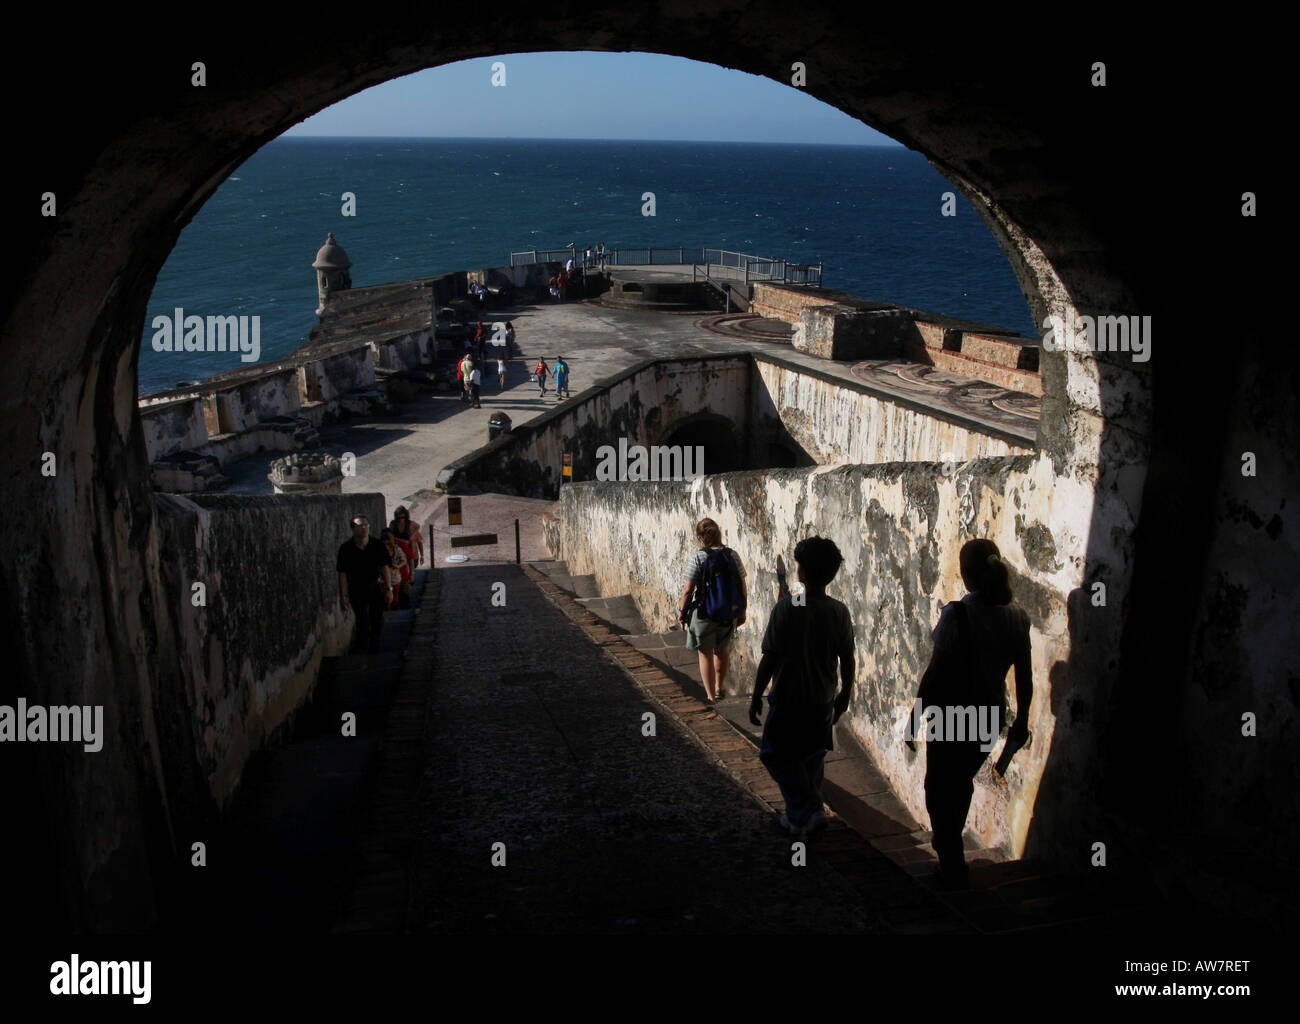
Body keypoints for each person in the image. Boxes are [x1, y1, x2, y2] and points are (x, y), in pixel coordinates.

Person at [917, 538, 1033, 889]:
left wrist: (915, 712)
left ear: (966, 575)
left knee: (938, 787)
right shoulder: (1017, 617)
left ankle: (950, 859)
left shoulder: (957, 615)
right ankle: (950, 850)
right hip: (988, 715)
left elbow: (935, 671)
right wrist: (1022, 720)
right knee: (960, 781)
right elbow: (1024, 679)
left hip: (951, 712)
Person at [748, 537, 855, 839]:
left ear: (802, 572)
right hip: (822, 700)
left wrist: (756, 694)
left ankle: (810, 809)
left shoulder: (787, 609)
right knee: (811, 758)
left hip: (789, 699)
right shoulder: (839, 611)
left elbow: (770, 658)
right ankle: (798, 819)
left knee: (775, 753)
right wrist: (845, 694)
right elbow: (847, 658)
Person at [677, 517, 747, 702]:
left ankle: (710, 696)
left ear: (701, 537)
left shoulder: (699, 557)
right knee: (722, 650)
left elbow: (688, 590)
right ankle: (718, 687)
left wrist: (682, 612)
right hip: (728, 613)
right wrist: (742, 611)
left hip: (705, 613)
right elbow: (742, 586)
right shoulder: (732, 555)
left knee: (705, 653)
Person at [336, 514, 394, 654]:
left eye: (366, 525)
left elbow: (385, 567)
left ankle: (374, 646)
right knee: (361, 619)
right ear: (353, 529)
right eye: (360, 526)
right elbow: (342, 573)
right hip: (356, 588)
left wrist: (389, 589)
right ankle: (362, 645)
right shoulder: (346, 549)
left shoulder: (377, 545)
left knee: (377, 618)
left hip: (374, 586)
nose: (363, 528)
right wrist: (343, 596)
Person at [380, 529, 410, 609]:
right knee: (386, 599)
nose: (386, 546)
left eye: (388, 544)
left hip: (395, 577)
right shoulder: (379, 551)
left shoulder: (397, 549)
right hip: (383, 578)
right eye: (384, 544)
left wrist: (398, 566)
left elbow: (404, 560)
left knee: (395, 598)